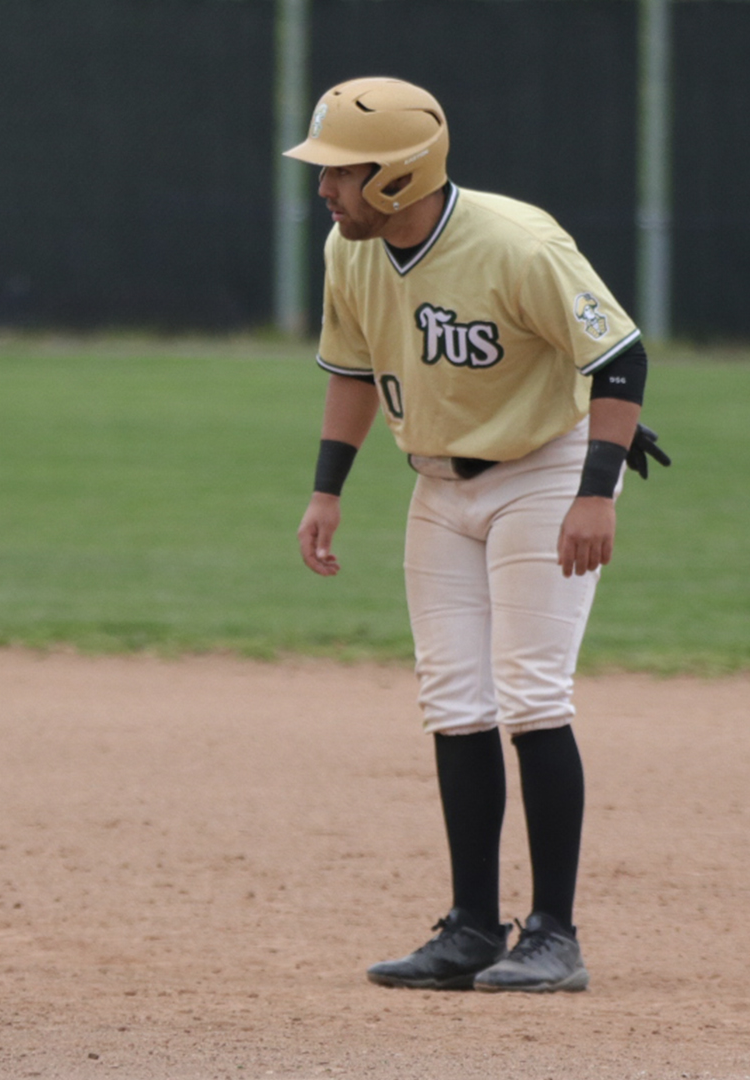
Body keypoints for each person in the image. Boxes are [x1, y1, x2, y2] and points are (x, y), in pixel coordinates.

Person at [285, 77, 662, 993]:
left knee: (531, 694)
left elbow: (619, 357)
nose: (324, 188)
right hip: (438, 487)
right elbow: (355, 368)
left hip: (542, 473)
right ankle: (470, 928)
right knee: (455, 703)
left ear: (397, 175)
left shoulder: (513, 243)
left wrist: (595, 492)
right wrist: (326, 490)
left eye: (340, 171)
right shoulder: (352, 251)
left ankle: (555, 935)